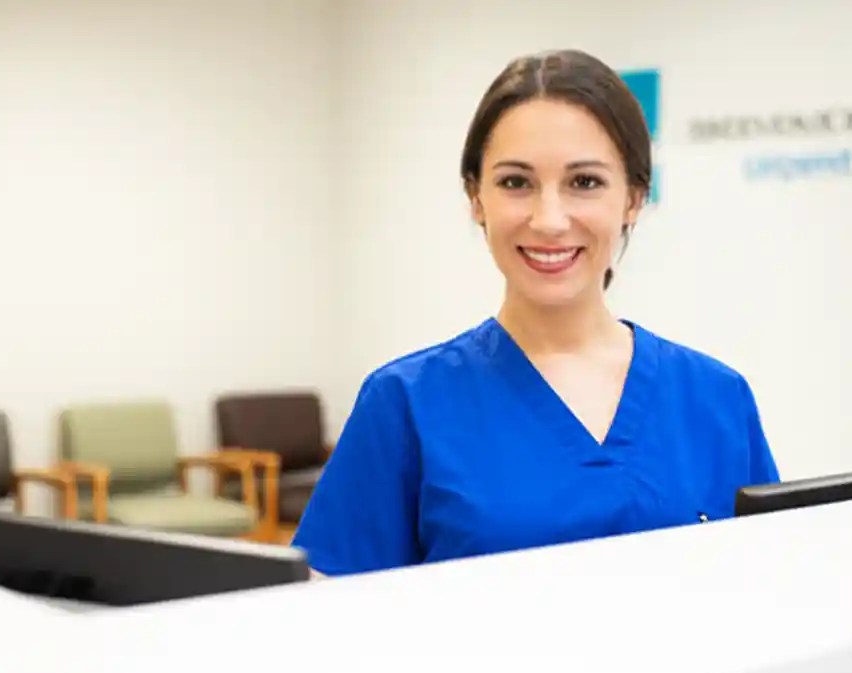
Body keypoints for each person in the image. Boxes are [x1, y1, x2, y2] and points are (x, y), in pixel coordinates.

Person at [292, 49, 780, 577]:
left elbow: (769, 587)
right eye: (516, 183)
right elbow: (326, 622)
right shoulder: (405, 405)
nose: (549, 220)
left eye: (585, 182)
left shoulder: (716, 398)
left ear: (634, 198)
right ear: (476, 198)